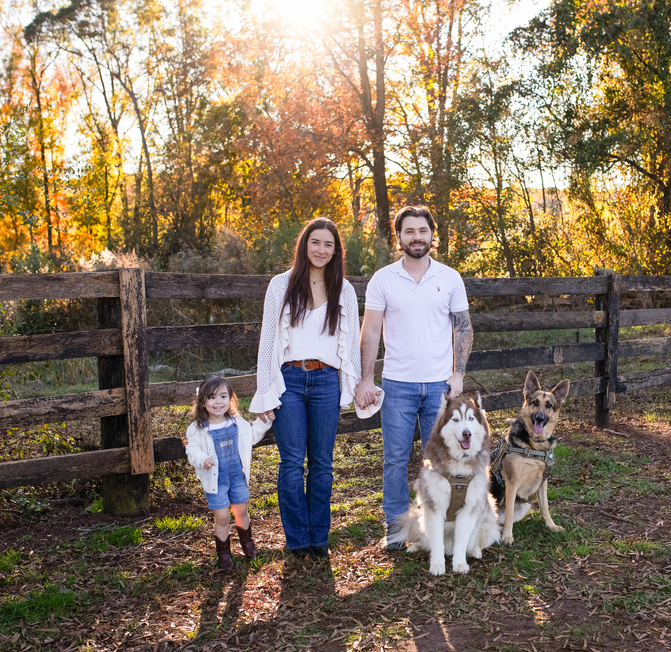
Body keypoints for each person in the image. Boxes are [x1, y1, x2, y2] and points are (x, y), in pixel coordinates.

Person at [355, 205, 473, 550]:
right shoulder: (383, 279)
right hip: (397, 385)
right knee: (394, 458)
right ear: (399, 237)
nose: (417, 237)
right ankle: (395, 530)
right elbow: (371, 330)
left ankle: (440, 526)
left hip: (439, 386)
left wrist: (458, 374)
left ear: (432, 235)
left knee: (440, 459)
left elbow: (463, 327)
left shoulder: (449, 278)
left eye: (422, 230)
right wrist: (366, 378)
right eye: (409, 231)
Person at [250, 218, 362, 560]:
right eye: (316, 242)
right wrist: (265, 390)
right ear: (304, 245)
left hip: (327, 380)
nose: (322, 250)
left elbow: (353, 345)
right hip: (290, 382)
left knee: (323, 464)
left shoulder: (344, 289)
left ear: (336, 251)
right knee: (291, 462)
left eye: (329, 245)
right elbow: (268, 341)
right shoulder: (280, 285)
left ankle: (319, 536)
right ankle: (297, 540)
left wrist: (355, 385)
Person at [186, 375, 274, 571]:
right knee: (223, 517)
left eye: (223, 396)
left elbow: (251, 437)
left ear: (231, 399)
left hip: (237, 476)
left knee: (241, 511)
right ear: (203, 402)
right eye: (212, 397)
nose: (218, 402)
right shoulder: (198, 429)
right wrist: (203, 459)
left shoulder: (236, 422)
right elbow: (192, 450)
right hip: (216, 480)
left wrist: (265, 421)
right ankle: (224, 554)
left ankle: (248, 544)